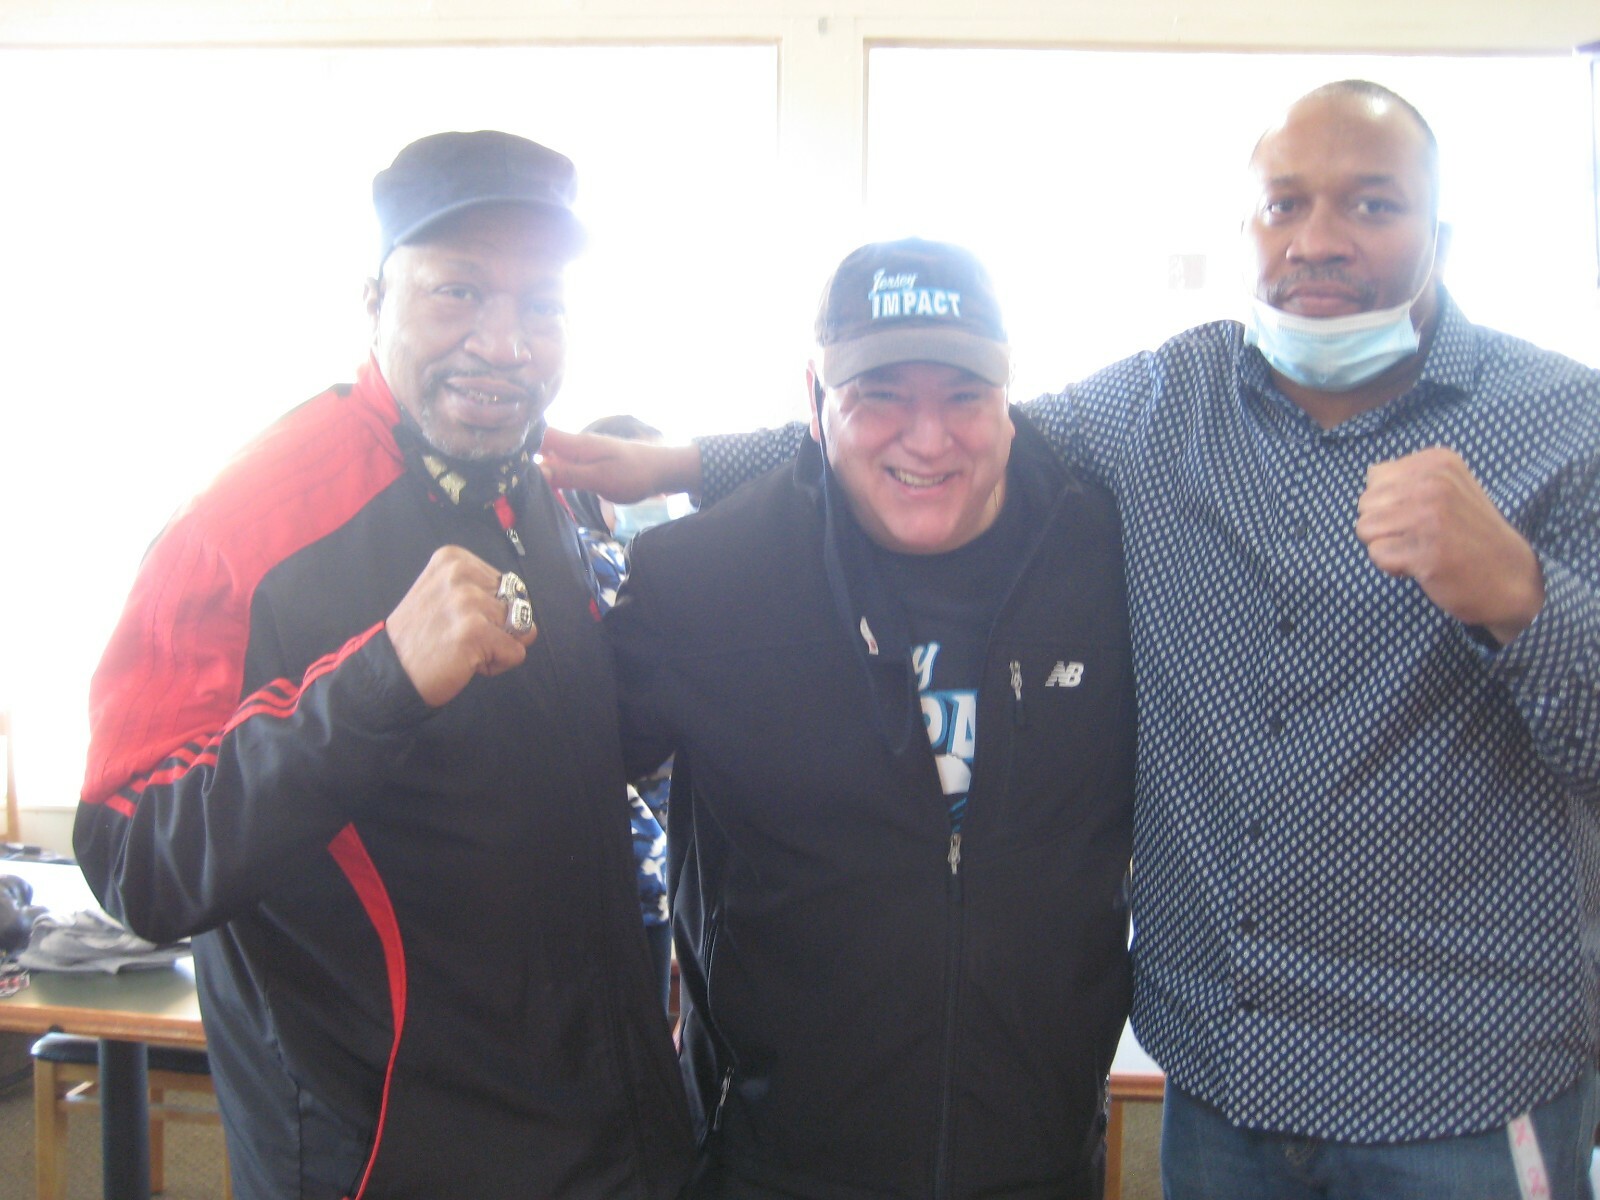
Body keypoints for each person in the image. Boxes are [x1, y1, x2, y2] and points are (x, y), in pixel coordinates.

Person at [544, 82, 1600, 1199]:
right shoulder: (1166, 398)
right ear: (1244, 230)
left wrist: (1521, 598)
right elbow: (949, 441)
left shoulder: (1563, 425)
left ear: (1440, 233)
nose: (1320, 240)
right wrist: (685, 464)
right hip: (1222, 1081)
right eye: (1284, 205)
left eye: (1372, 206)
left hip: (1462, 1086)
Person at [74, 131, 693, 1200]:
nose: (505, 346)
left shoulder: (531, 482)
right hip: (398, 1158)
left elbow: (552, 763)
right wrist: (377, 684)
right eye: (457, 293)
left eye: (540, 305)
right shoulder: (246, 524)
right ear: (374, 301)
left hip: (605, 1131)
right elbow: (137, 858)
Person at [603, 237, 1137, 1198]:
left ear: (1009, 398)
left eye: (964, 395)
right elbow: (536, 794)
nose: (927, 438)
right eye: (881, 393)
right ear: (814, 398)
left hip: (1040, 1158)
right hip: (774, 1163)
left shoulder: (1106, 561)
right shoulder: (705, 579)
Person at [560, 413, 676, 1014]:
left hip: (658, 869)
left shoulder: (662, 560)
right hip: (624, 867)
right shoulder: (587, 563)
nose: (654, 498)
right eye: (638, 479)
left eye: (664, 482)